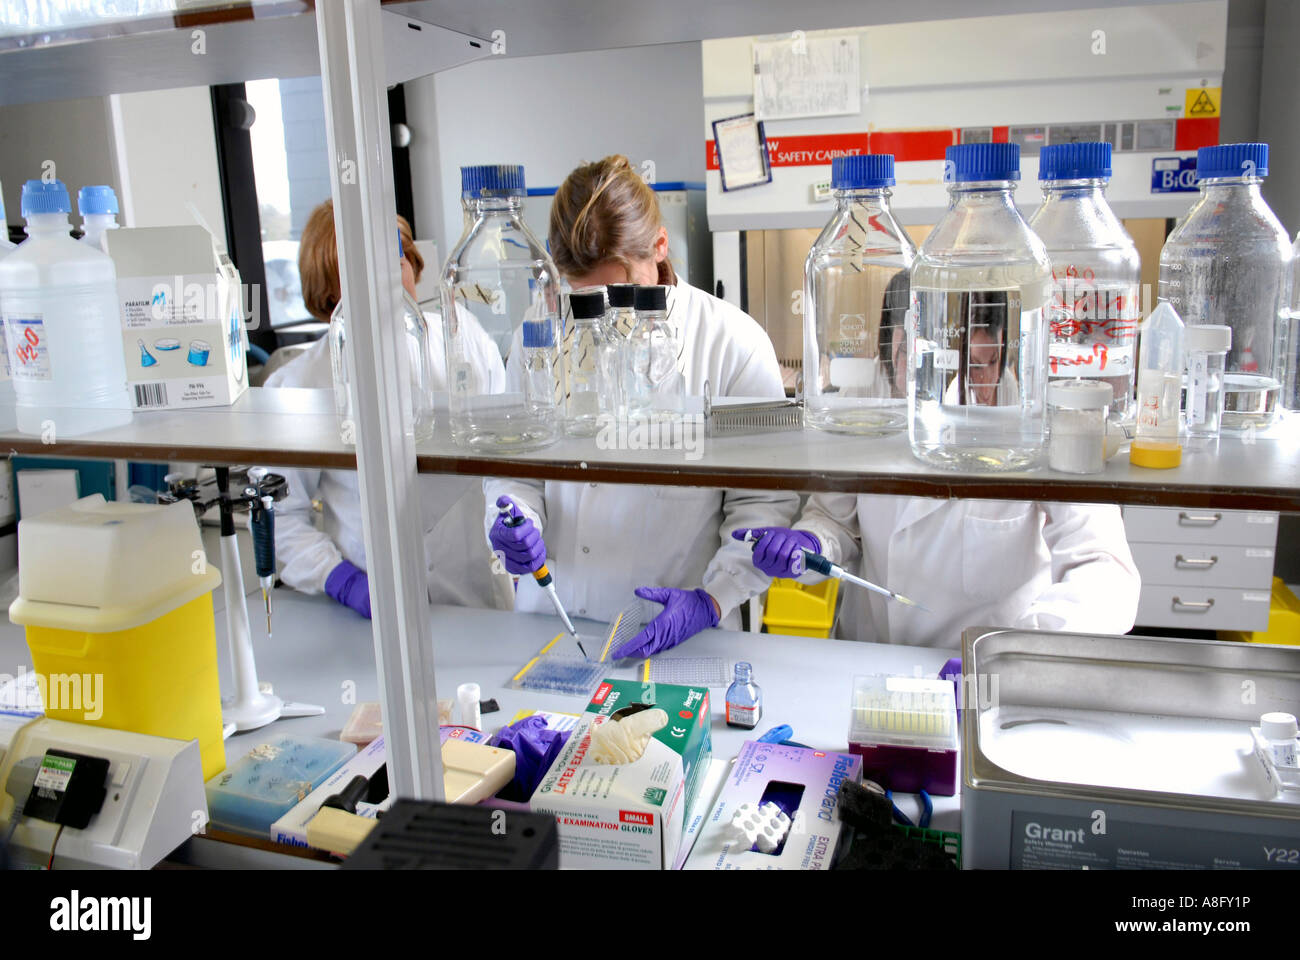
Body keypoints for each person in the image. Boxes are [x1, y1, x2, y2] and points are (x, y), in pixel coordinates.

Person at [485, 155, 798, 657]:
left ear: (659, 246)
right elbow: (515, 463)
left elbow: (763, 504)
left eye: (619, 290)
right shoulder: (540, 335)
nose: (600, 313)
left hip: (677, 634)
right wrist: (514, 517)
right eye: (581, 294)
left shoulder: (733, 343)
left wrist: (712, 600)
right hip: (551, 623)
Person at [264, 200, 509, 617]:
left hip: (477, 600)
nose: (386, 287)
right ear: (328, 294)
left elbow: (506, 457)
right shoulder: (299, 384)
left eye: (395, 264)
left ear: (413, 265)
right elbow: (279, 517)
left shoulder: (462, 336)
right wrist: (340, 580)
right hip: (371, 612)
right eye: (359, 274)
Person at [738, 496, 1140, 646]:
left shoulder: (1043, 418)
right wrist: (812, 544)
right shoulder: (870, 405)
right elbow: (836, 518)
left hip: (978, 685)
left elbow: (1106, 574)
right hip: (867, 660)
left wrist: (1017, 652)